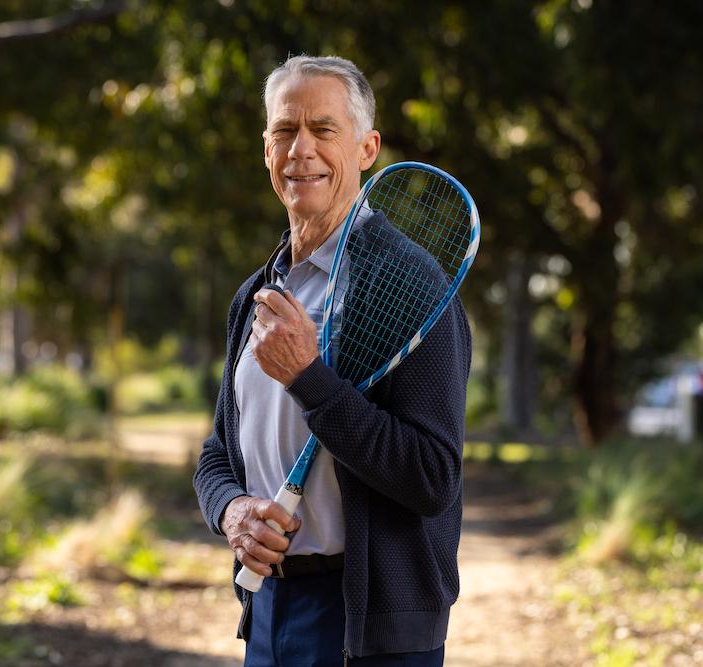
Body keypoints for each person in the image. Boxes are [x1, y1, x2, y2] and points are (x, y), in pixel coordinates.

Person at [193, 55, 471, 666]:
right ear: (266, 150)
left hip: (370, 629)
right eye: (284, 131)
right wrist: (231, 511)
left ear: (367, 149)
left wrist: (308, 379)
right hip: (269, 609)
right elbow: (217, 453)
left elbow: (432, 478)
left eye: (324, 130)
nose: (302, 150)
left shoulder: (412, 286)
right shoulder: (255, 295)